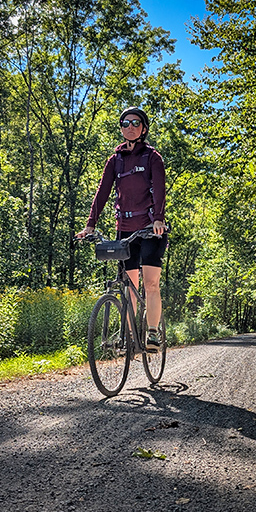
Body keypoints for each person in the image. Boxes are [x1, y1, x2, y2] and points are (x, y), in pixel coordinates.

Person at [76, 106, 167, 351]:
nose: (130, 127)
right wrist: (90, 225)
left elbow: (159, 190)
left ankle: (152, 333)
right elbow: (102, 192)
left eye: (135, 123)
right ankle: (128, 336)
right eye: (125, 123)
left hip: (150, 229)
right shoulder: (115, 161)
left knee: (150, 284)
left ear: (143, 129)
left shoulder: (152, 157)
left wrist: (159, 219)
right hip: (124, 229)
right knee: (129, 284)